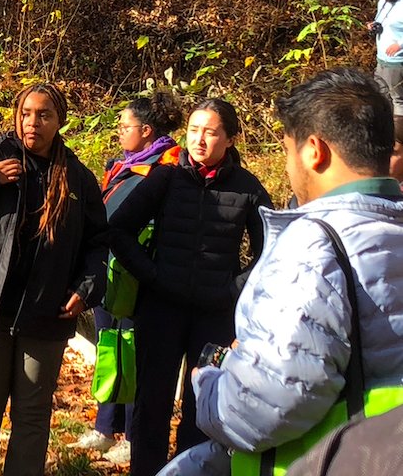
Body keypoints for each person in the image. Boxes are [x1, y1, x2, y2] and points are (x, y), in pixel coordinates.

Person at [156, 68, 403, 476]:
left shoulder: (313, 244)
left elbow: (269, 404)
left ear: (314, 152)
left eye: (287, 151)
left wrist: (212, 384)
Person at [0, 83, 109, 476]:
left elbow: (99, 243)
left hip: (46, 318)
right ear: (16, 114)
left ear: (59, 121)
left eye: (44, 114)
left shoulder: (76, 178)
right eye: (26, 112)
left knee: (32, 417)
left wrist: (87, 286)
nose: (33, 122)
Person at [109, 98, 272, 476]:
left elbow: (271, 250)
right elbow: (119, 228)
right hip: (161, 309)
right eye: (194, 130)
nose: (200, 139)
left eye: (211, 132)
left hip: (214, 316)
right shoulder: (167, 178)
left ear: (230, 139)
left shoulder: (248, 188)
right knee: (152, 406)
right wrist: (151, 275)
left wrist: (234, 289)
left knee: (202, 409)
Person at [75, 92, 183, 465]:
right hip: (111, 269)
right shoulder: (123, 165)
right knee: (110, 346)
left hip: (140, 274)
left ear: (147, 130)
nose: (119, 133)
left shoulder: (169, 167)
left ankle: (133, 437)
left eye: (125, 127)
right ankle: (106, 427)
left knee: (135, 353)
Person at [369, 0, 403, 115]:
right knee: (381, 96)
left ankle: (398, 137)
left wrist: (400, 44)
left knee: (397, 99)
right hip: (381, 58)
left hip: (396, 61)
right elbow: (382, 19)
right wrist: (372, 25)